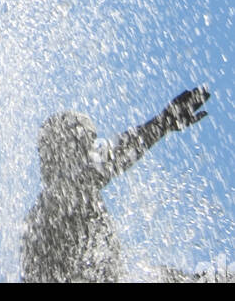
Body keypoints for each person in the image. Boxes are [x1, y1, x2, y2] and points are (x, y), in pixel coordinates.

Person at [21, 86, 210, 283]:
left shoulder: (56, 208)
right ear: (63, 150)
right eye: (86, 145)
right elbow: (114, 158)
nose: (93, 152)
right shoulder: (59, 199)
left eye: (92, 145)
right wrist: (162, 123)